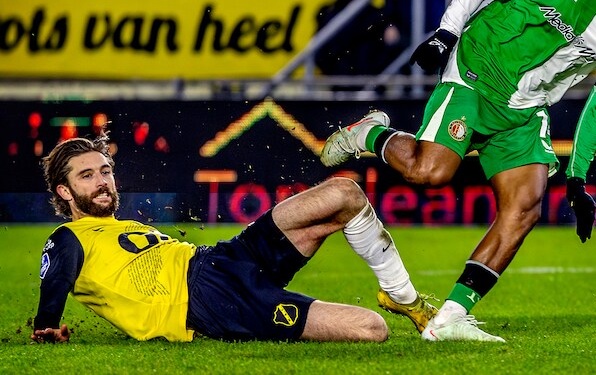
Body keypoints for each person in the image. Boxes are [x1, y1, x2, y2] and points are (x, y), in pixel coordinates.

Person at [322, 0, 596, 342]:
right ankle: (369, 132)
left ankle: (449, 319)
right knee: (429, 172)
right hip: (477, 70)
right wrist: (445, 34)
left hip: (525, 109)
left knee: (524, 206)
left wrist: (578, 178)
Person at [31, 135, 437, 344]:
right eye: (87, 176)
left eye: (104, 171)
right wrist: (48, 324)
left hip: (219, 259)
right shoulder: (68, 237)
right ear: (64, 193)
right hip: (209, 300)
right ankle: (398, 308)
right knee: (371, 328)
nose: (102, 182)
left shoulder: (121, 226)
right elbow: (57, 278)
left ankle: (402, 295)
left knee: (344, 192)